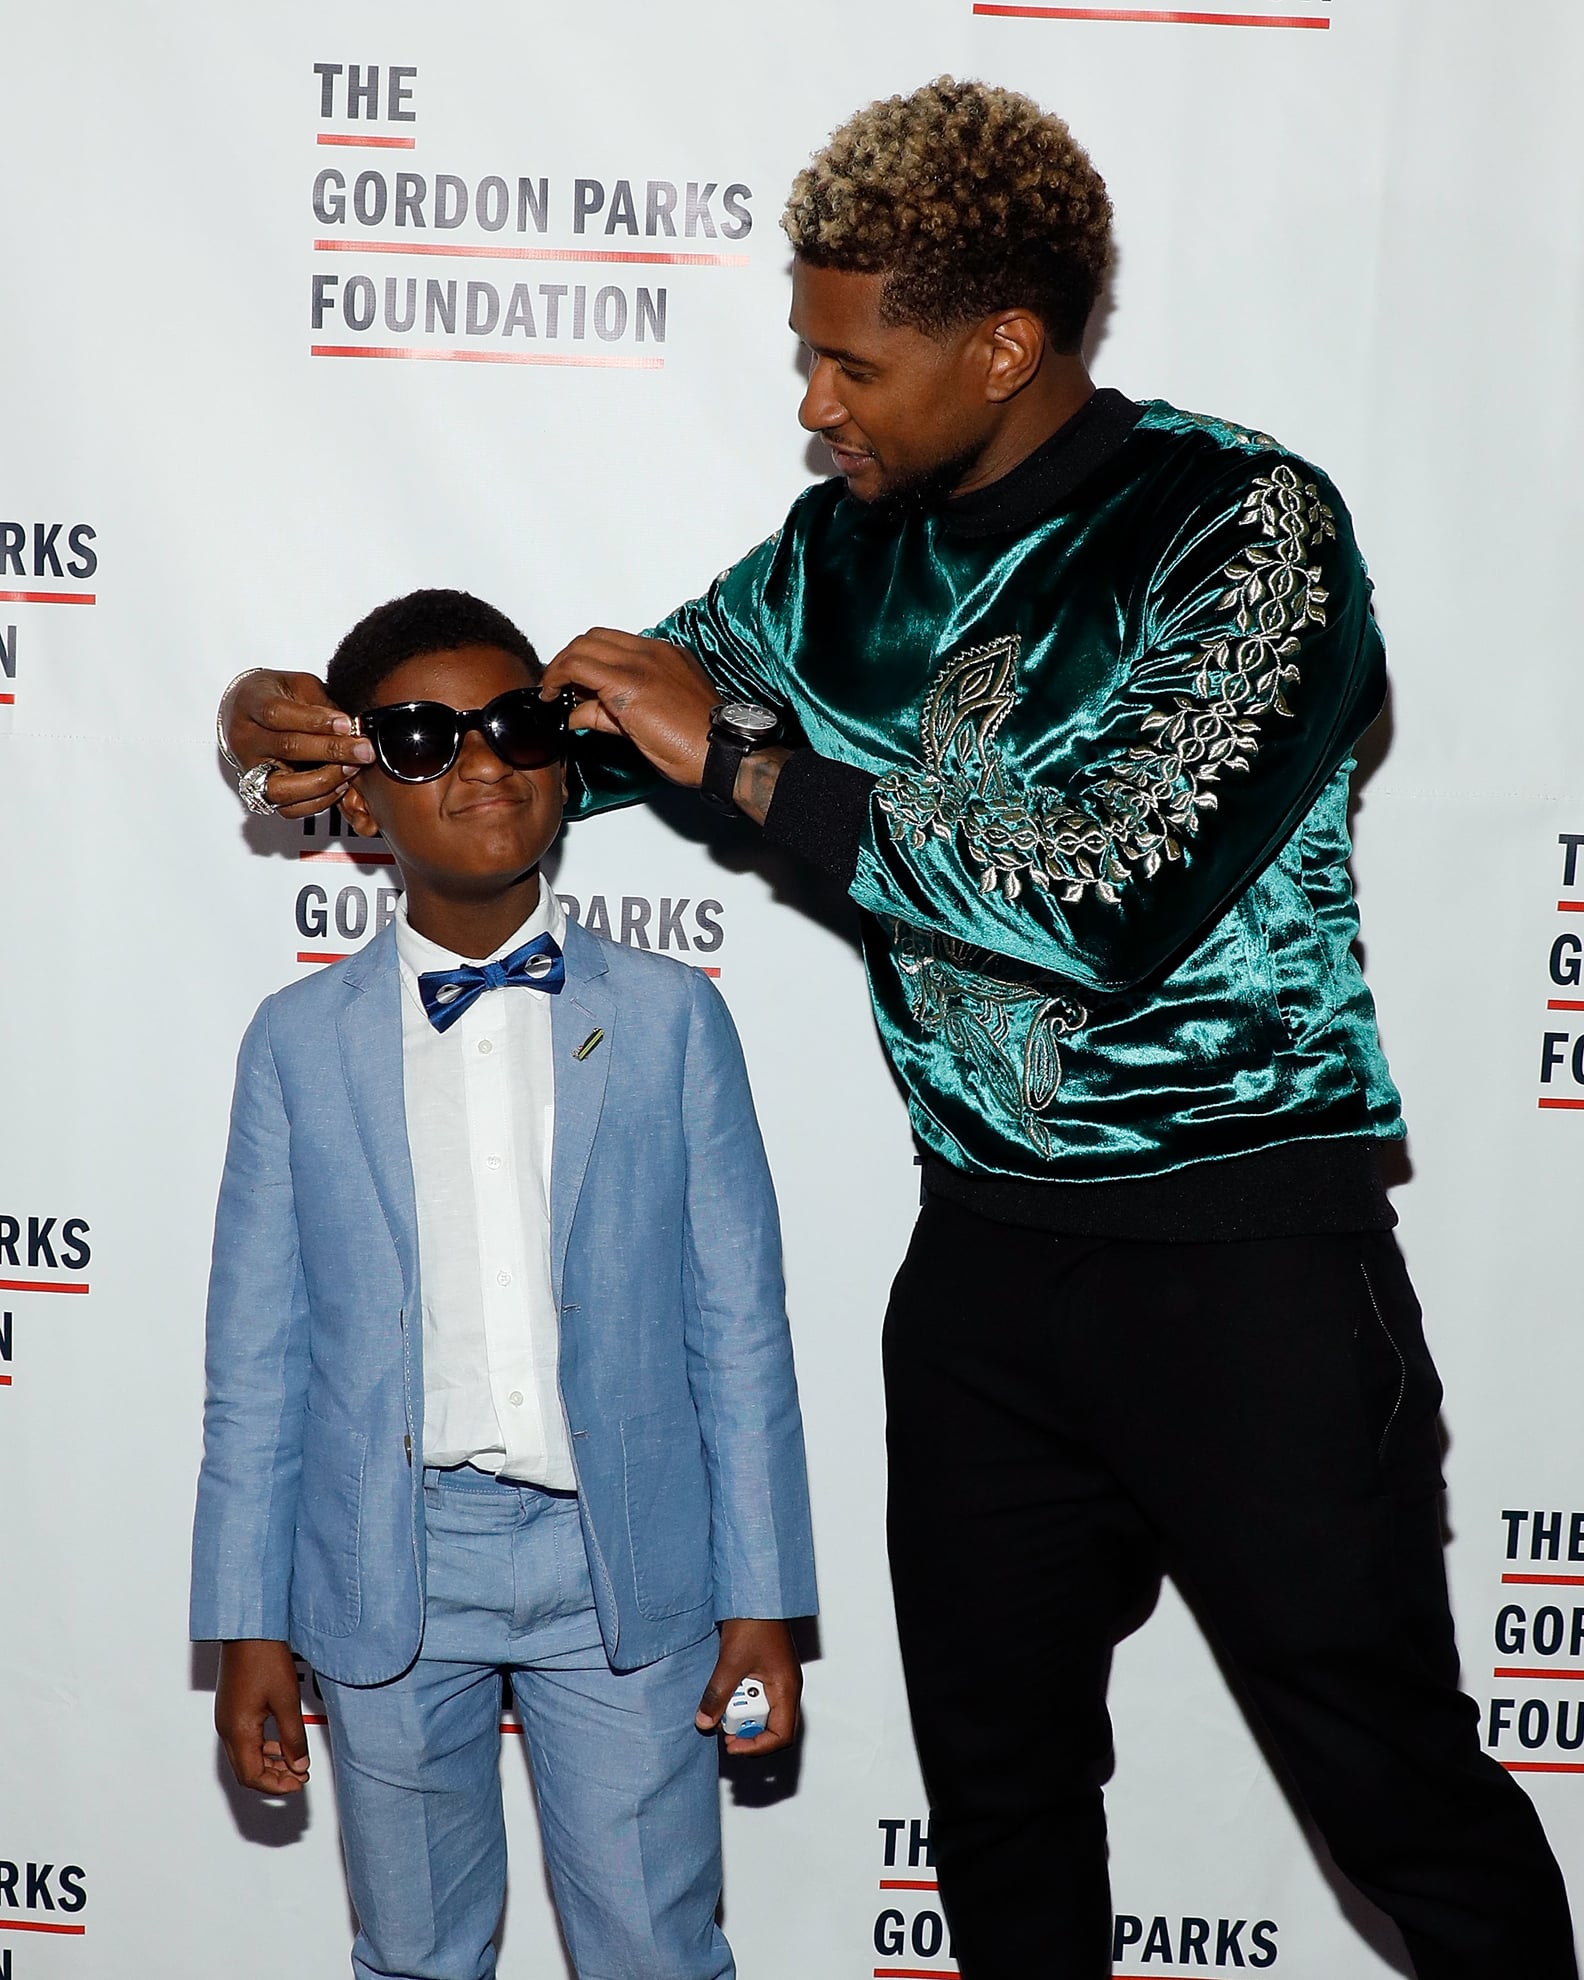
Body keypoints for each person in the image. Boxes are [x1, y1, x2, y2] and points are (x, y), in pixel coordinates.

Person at [217, 80, 1578, 1980]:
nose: (815, 405)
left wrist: (755, 761)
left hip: (1250, 1260)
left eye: (850, 362)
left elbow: (1114, 897)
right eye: (807, 358)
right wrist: (306, 747)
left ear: (1004, 346)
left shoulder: (1246, 527)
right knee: (1000, 1809)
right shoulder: (828, 563)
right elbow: (544, 755)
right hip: (987, 1286)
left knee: (1395, 1794)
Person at [193, 588, 817, 1980]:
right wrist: (246, 1623)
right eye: (423, 738)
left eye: (516, 726)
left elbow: (739, 1331)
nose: (483, 764)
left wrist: (764, 1591)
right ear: (357, 788)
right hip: (387, 1568)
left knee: (655, 1948)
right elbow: (257, 1364)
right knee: (415, 1953)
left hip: (628, 1565)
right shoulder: (295, 1046)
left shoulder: (671, 1018)